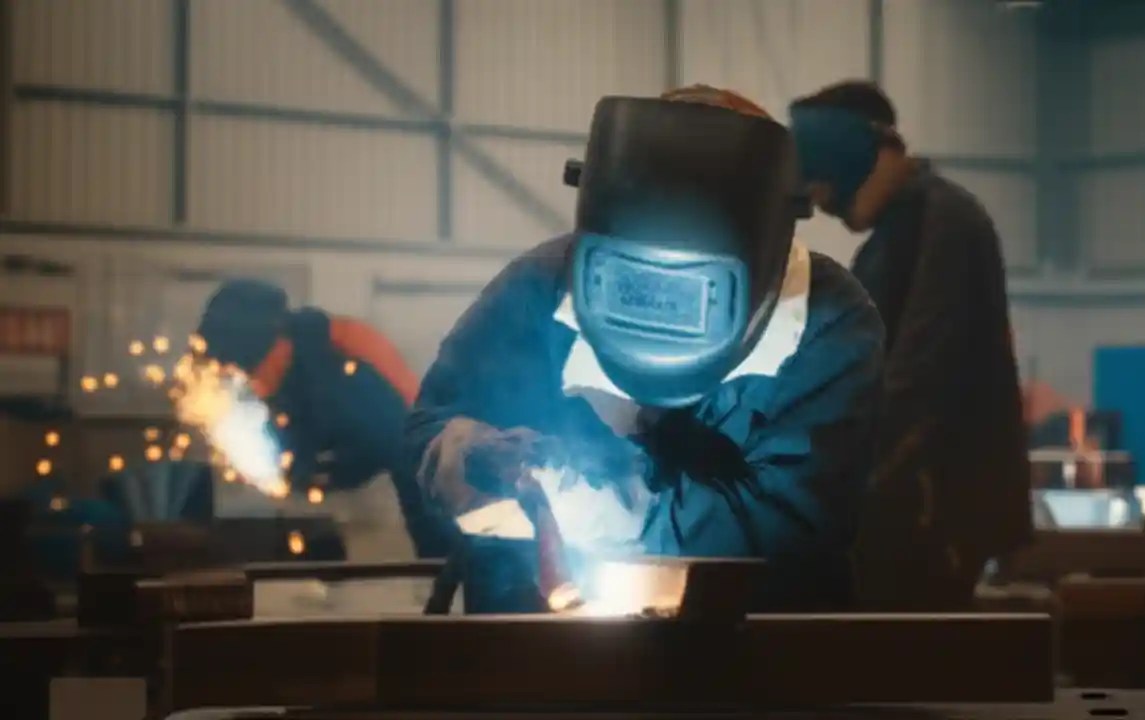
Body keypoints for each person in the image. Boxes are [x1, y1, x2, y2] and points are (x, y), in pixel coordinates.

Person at [407, 85, 884, 613]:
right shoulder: (541, 283)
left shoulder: (828, 319)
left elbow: (785, 527)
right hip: (539, 634)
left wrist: (582, 504)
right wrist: (458, 455)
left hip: (749, 639)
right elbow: (432, 424)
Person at [789, 80, 1032, 610]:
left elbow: (919, 376)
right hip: (911, 506)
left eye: (823, 178)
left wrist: (842, 481)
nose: (821, 200)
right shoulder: (897, 236)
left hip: (932, 512)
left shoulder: (942, 223)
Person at [196, 279, 451, 558]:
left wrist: (434, 558)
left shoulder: (352, 363)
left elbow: (414, 452)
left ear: (279, 343)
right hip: (320, 504)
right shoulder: (254, 381)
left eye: (253, 369)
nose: (253, 383)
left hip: (384, 500)